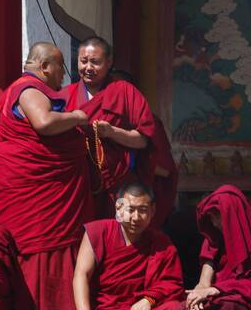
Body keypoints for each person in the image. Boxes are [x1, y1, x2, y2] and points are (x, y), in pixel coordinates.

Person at [0, 42, 92, 310]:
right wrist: (78, 118)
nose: (64, 75)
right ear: (45, 67)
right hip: (34, 191)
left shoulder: (22, 90)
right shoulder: (29, 89)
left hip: (37, 187)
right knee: (41, 247)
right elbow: (43, 123)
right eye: (60, 67)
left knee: (48, 248)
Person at [53, 181, 184, 310]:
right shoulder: (98, 232)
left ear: (152, 211)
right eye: (130, 209)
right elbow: (81, 275)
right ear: (118, 208)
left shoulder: (161, 243)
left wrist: (148, 301)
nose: (135, 217)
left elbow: (172, 284)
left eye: (143, 211)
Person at [64, 37, 176, 226]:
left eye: (95, 62)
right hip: (78, 185)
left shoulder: (125, 92)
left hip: (117, 185)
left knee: (118, 239)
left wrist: (112, 132)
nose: (88, 67)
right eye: (83, 61)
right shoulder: (66, 95)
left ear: (109, 62)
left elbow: (144, 140)